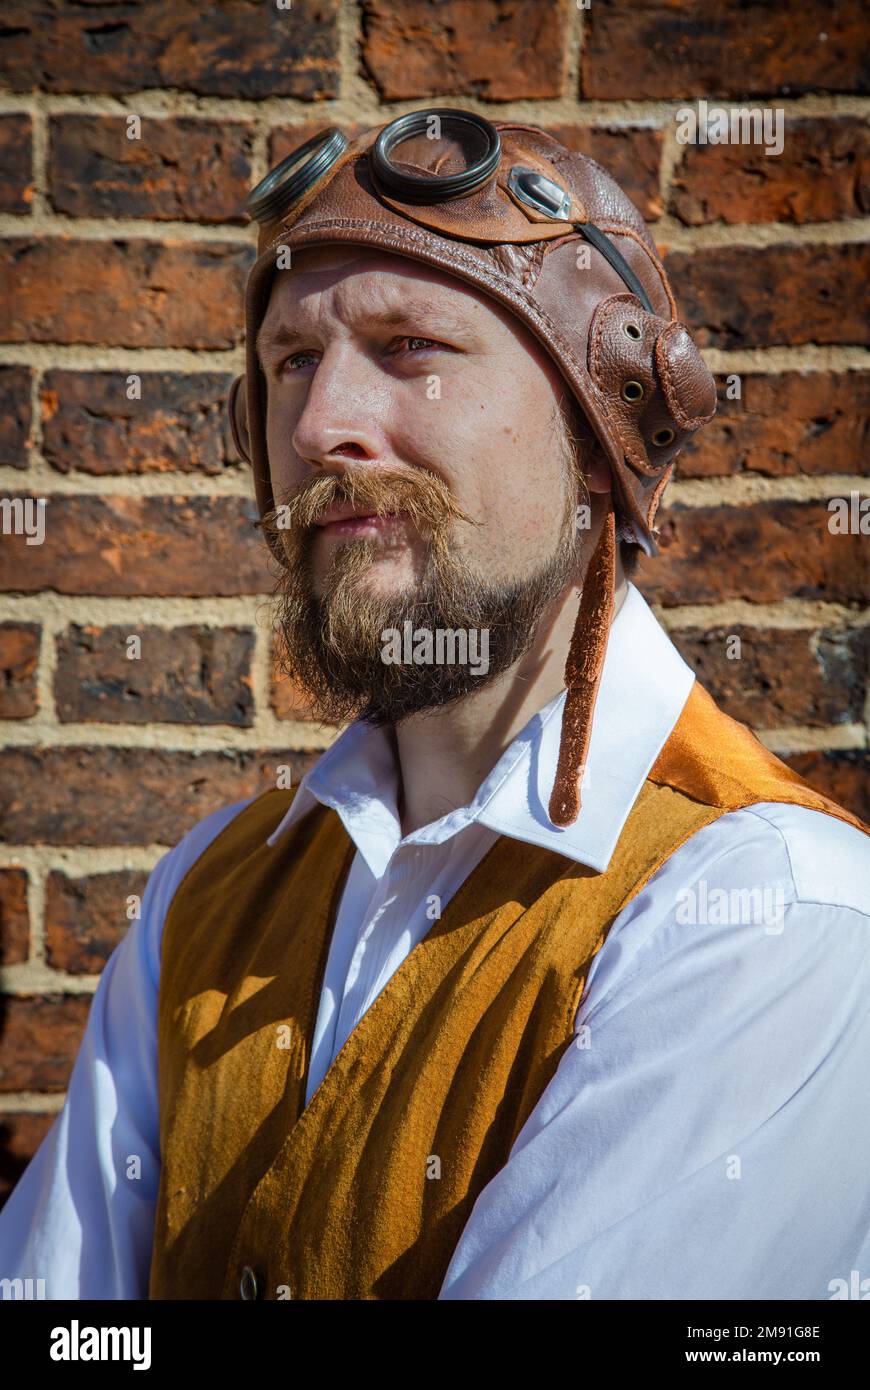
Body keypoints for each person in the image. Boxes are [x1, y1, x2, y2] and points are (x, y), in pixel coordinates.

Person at [1, 110, 868, 1302]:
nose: (318, 429)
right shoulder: (206, 896)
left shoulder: (771, 913)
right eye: (292, 363)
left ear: (599, 421)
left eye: (411, 346)